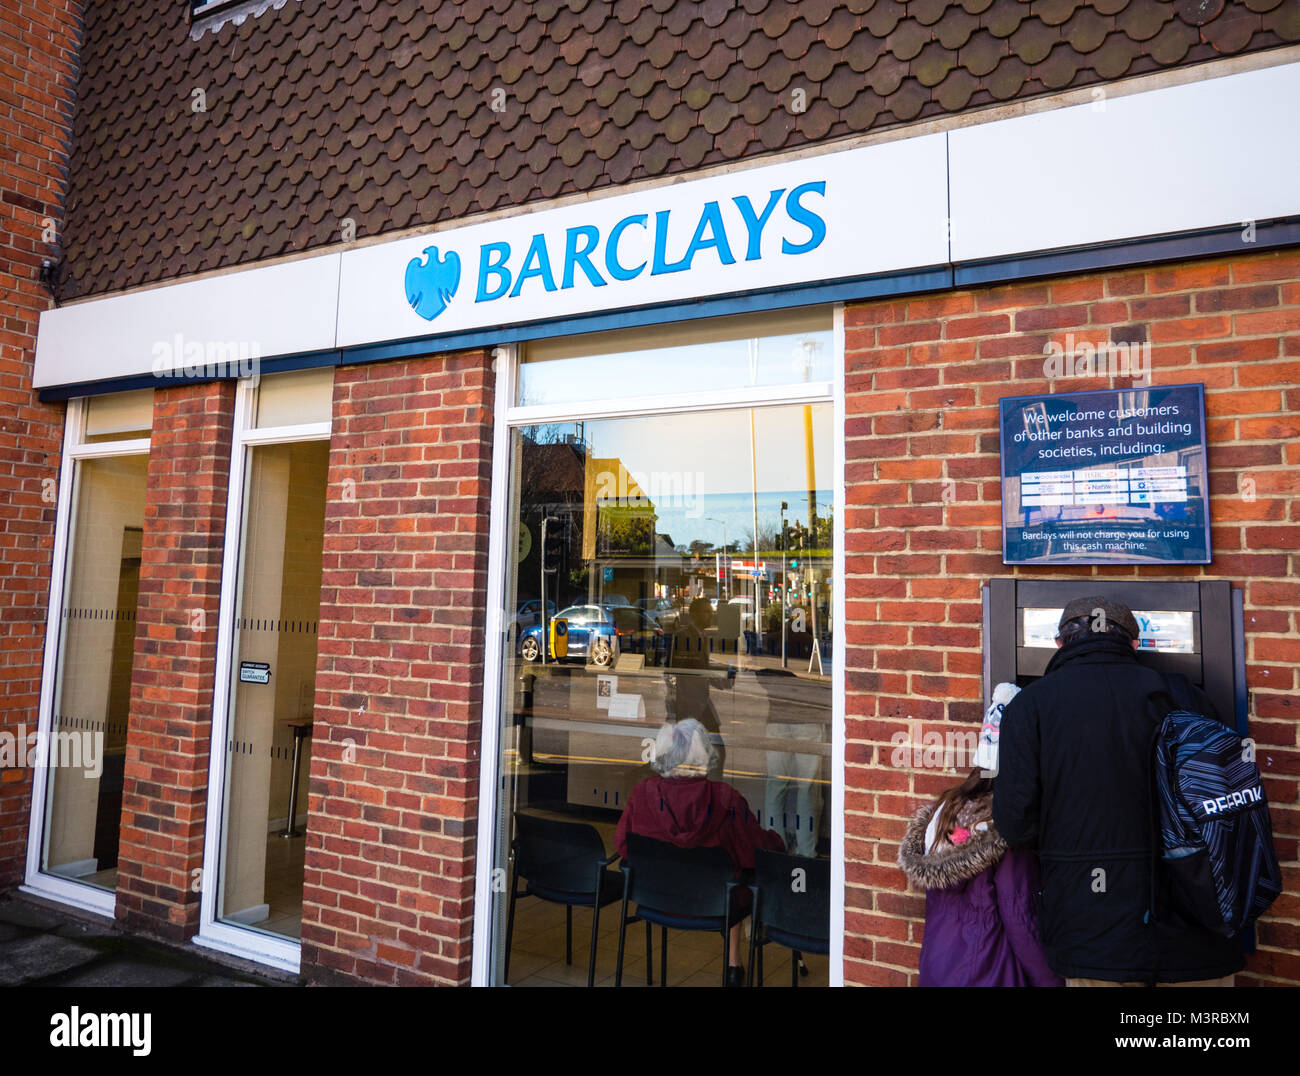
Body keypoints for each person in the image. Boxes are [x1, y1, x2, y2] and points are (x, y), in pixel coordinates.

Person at [993, 596, 1245, 986]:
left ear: (1060, 644)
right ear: (1133, 644)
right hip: (1193, 917)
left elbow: (1016, 825)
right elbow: (1225, 800)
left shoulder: (1030, 706)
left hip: (1091, 927)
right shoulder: (1185, 696)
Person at [896, 684, 1061, 987]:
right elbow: (1020, 918)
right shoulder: (1008, 825)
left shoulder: (948, 807)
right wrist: (1053, 981)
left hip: (940, 969)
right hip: (991, 974)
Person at [616, 718, 784, 987]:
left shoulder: (642, 793)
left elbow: (622, 845)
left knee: (727, 874)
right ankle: (733, 965)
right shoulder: (725, 798)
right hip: (715, 903)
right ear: (704, 754)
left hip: (656, 898)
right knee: (735, 877)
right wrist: (779, 843)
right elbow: (753, 852)